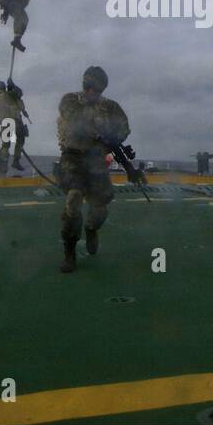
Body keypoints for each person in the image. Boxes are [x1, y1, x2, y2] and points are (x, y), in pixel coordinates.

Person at [55, 66, 130, 273]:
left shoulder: (110, 107)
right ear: (85, 86)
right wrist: (99, 133)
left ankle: (91, 229)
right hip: (73, 157)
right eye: (91, 88)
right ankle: (69, 253)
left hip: (96, 159)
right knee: (73, 200)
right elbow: (73, 119)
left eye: (97, 90)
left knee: (100, 208)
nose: (93, 94)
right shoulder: (70, 101)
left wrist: (115, 137)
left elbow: (124, 126)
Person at [0, 80, 30, 174]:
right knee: (20, 140)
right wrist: (13, 86)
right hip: (15, 122)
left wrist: (11, 88)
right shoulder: (8, 95)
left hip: (5, 124)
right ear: (4, 88)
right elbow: (19, 94)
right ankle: (16, 161)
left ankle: (2, 165)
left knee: (5, 145)